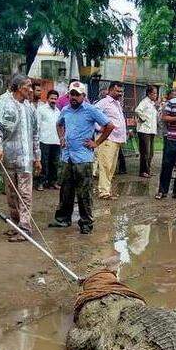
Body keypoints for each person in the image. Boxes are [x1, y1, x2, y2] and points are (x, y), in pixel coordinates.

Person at [49, 81, 114, 235]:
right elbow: (59, 124)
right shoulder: (65, 110)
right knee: (65, 190)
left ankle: (86, 223)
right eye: (72, 94)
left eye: (77, 95)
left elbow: (109, 126)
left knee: (84, 193)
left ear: (83, 96)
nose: (74, 97)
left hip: (83, 158)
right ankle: (63, 219)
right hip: (67, 157)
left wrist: (96, 143)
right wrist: (61, 138)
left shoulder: (91, 110)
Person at [0, 74, 41, 242]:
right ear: (20, 88)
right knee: (11, 193)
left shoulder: (30, 108)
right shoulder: (4, 103)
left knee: (25, 193)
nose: (32, 90)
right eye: (29, 87)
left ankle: (25, 228)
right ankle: (16, 223)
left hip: (26, 159)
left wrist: (37, 157)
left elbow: (35, 133)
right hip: (9, 157)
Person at [94, 82, 127, 200]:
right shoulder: (104, 103)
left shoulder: (117, 104)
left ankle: (107, 190)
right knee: (105, 166)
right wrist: (99, 128)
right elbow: (92, 115)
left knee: (112, 167)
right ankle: (103, 192)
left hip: (117, 139)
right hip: (107, 139)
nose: (120, 94)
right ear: (110, 90)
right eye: (118, 91)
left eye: (121, 92)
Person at [35, 89, 62, 190]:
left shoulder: (58, 112)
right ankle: (41, 182)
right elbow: (37, 126)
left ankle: (53, 182)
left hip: (56, 141)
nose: (53, 101)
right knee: (43, 162)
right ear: (47, 99)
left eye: (55, 99)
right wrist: (36, 140)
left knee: (55, 163)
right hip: (44, 140)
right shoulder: (41, 109)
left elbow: (60, 126)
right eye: (51, 98)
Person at [134, 85, 159, 178]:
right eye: (154, 93)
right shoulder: (144, 102)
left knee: (151, 153)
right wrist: (143, 118)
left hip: (151, 130)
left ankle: (148, 170)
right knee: (145, 152)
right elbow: (137, 110)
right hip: (144, 130)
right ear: (149, 93)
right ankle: (143, 171)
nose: (156, 95)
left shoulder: (152, 104)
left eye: (156, 93)